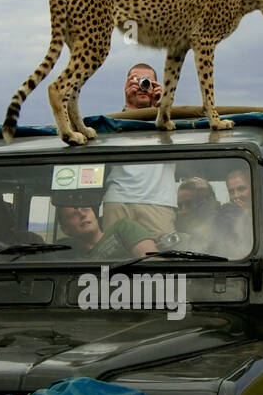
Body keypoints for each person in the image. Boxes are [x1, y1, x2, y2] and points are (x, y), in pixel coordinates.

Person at [102, 63, 177, 240]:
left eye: (149, 82)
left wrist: (161, 103)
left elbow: (173, 136)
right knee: (112, 255)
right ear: (127, 86)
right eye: (137, 80)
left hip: (159, 200)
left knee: (161, 258)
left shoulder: (168, 119)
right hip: (118, 198)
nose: (144, 86)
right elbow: (109, 138)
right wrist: (128, 106)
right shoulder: (114, 121)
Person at [55, 205, 156, 261]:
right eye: (74, 214)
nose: (83, 214)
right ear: (65, 229)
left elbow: (152, 261)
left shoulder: (123, 227)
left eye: (86, 210)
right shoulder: (74, 262)